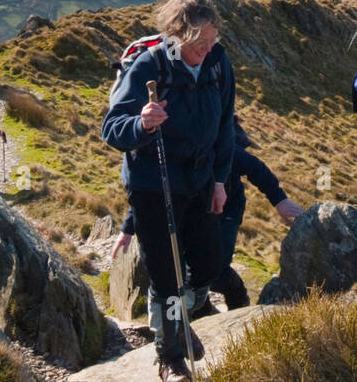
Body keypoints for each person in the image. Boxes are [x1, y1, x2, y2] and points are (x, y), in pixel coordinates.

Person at [102, 0, 235, 382]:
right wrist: (142, 123)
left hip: (198, 180)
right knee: (164, 276)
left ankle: (177, 323)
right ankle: (170, 357)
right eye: (201, 42)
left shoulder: (217, 63)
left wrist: (219, 181)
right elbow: (112, 129)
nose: (208, 49)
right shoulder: (149, 67)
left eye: (213, 40)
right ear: (177, 35)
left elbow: (225, 124)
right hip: (154, 184)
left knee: (209, 264)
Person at [114, 114, 303, 312]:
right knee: (190, 266)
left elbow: (254, 167)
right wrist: (128, 228)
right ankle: (201, 312)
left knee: (216, 267)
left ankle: (238, 300)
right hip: (192, 206)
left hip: (228, 206)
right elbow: (151, 190)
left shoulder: (212, 146)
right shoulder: (168, 151)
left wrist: (280, 200)